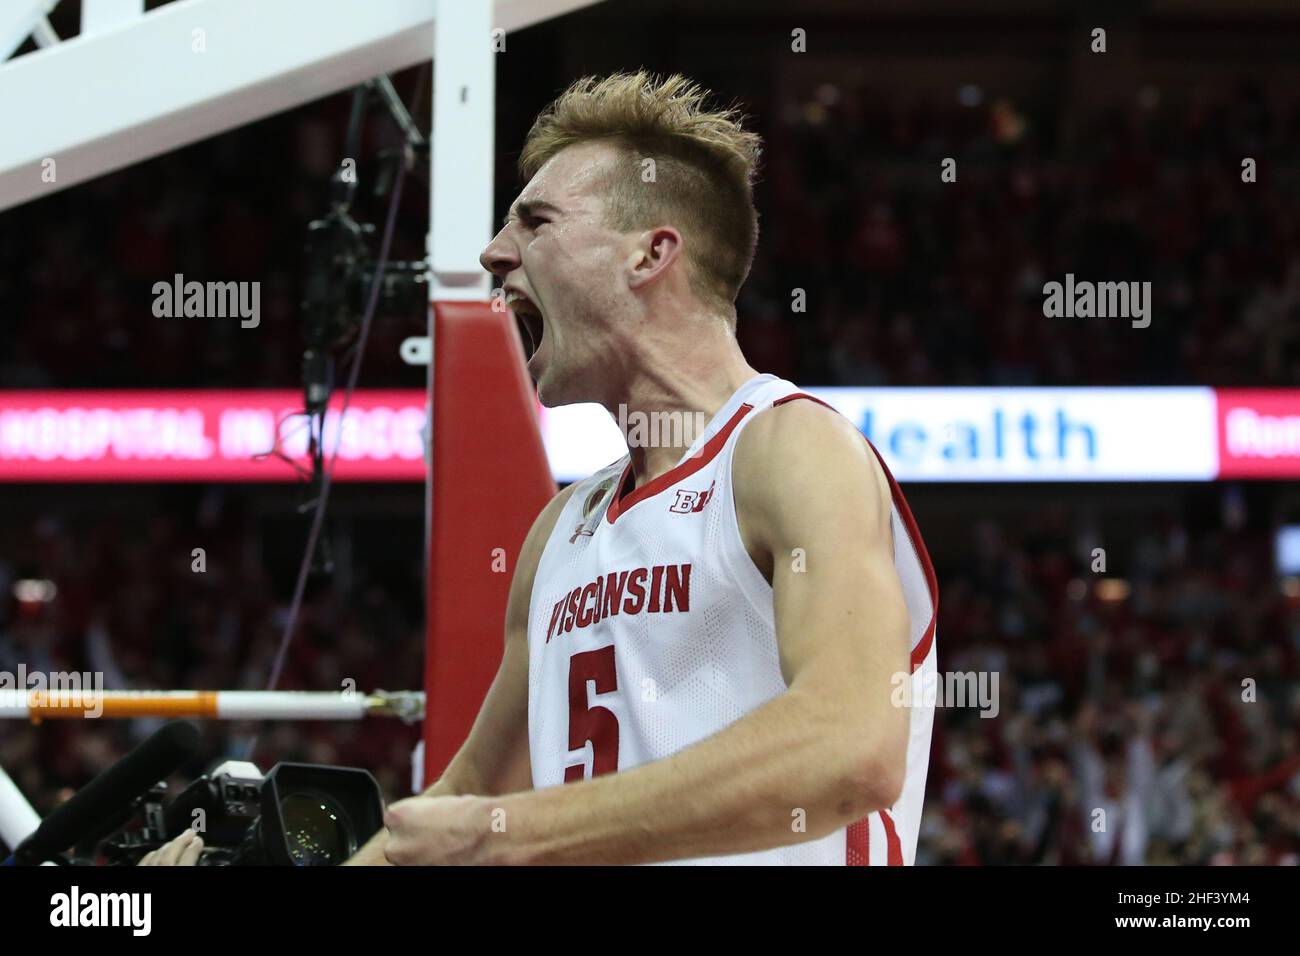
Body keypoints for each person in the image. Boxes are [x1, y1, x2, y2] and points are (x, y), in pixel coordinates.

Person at [147, 70, 938, 866]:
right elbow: (465, 807)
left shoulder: (789, 449)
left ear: (651, 252)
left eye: (537, 221)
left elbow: (851, 748)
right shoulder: (560, 531)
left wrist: (519, 835)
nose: (495, 254)